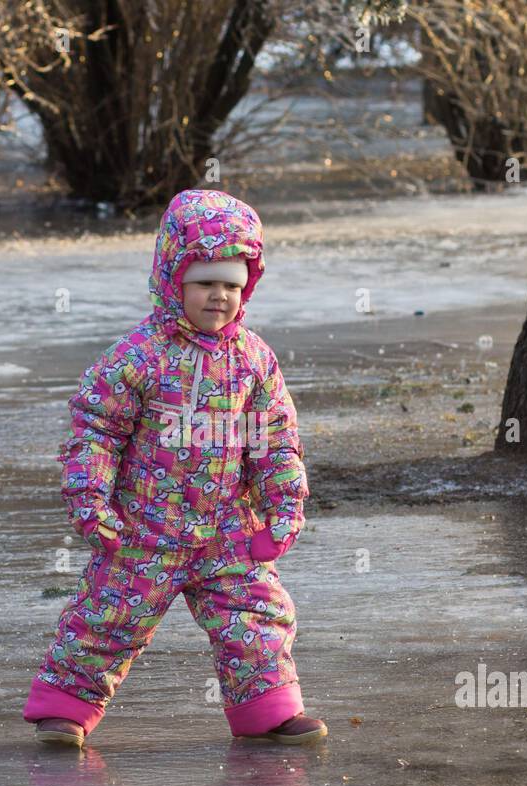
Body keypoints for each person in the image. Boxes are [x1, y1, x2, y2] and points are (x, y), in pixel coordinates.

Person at [21, 188, 326, 748]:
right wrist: (92, 502)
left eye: (233, 285)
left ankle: (268, 710)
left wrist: (283, 508)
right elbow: (98, 430)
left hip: (228, 529)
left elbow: (274, 441)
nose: (220, 297)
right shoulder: (140, 355)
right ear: (172, 280)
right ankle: (64, 709)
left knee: (256, 619)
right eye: (206, 282)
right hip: (143, 527)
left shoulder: (254, 359)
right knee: (108, 618)